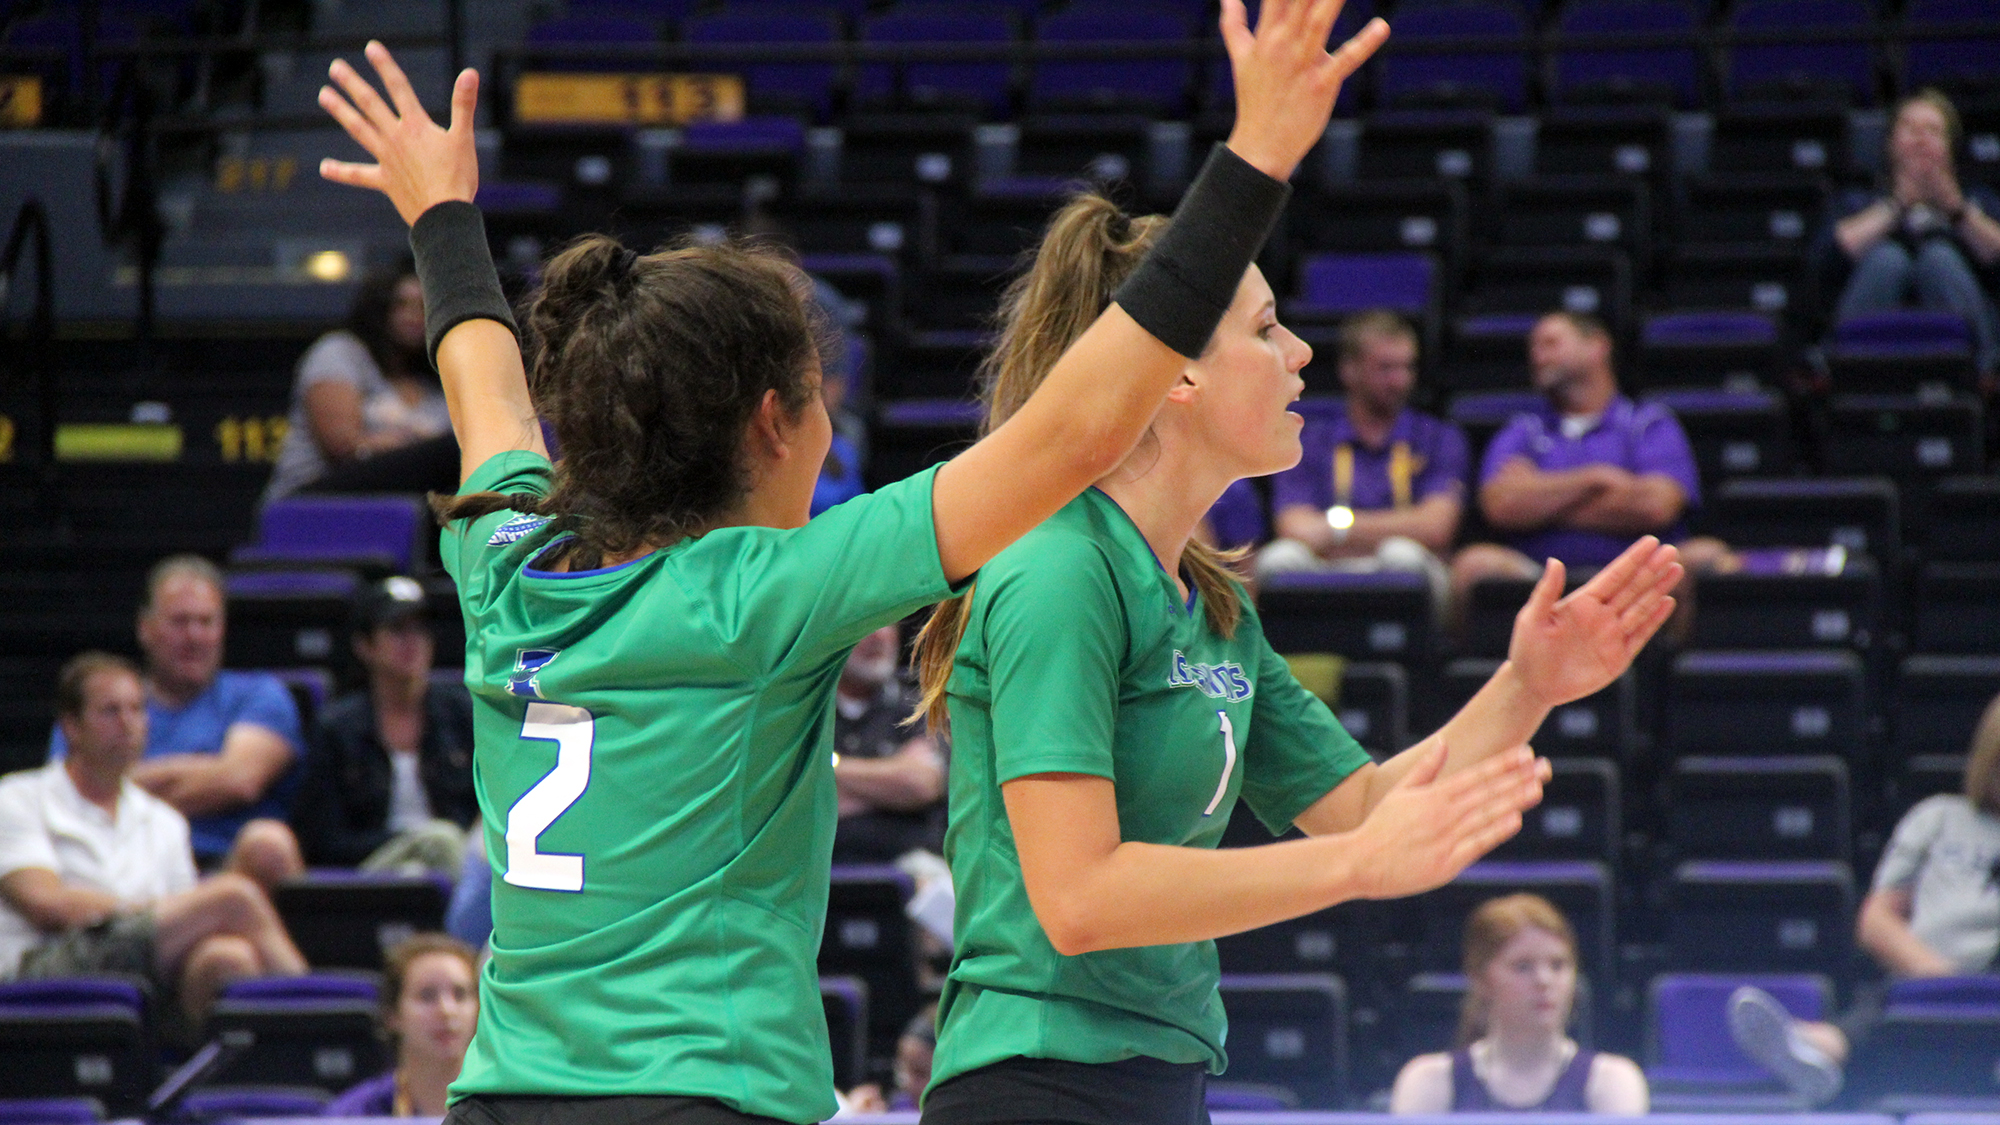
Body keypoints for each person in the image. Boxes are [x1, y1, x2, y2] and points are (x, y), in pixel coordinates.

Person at [311, 6, 1348, 1117]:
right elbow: (1073, 434)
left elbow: (487, 392)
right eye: (820, 393)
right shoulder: (766, 594)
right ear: (773, 422)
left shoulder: (504, 563)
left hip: (501, 1096)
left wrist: (439, 212)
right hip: (701, 1096)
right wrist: (1254, 163)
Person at [906, 25, 1681, 1125]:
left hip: (1160, 1079)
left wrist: (1530, 689)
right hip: (1037, 1083)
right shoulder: (1057, 570)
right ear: (1171, 379)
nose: (1301, 354)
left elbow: (1360, 804)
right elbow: (1078, 901)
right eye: (1267, 330)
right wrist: (1358, 869)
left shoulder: (1207, 602)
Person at [0, 653, 307, 1029]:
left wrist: (168, 919)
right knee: (234, 896)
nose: (128, 724)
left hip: (145, 967)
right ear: (71, 727)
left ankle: (215, 1080)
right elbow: (46, 903)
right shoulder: (17, 798)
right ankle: (317, 1019)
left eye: (136, 710)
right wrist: (154, 914)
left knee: (229, 956)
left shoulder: (166, 821)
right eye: (110, 712)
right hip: (47, 961)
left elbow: (183, 924)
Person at [1727, 690, 2000, 1106]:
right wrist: (1939, 976)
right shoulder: (1939, 818)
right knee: (1884, 1006)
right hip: (1925, 984)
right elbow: (1876, 920)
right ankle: (1815, 1050)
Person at [50, 554, 305, 887]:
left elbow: (238, 780)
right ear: (145, 628)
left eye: (206, 622)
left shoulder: (259, 695)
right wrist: (205, 769)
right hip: (118, 867)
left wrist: (118, 783)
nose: (194, 636)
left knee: (268, 842)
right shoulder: (102, 703)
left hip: (227, 867)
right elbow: (67, 800)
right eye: (179, 622)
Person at [1450, 311, 1732, 606]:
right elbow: (1500, 506)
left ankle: (1674, 653)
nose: (1537, 356)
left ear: (1597, 345)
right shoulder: (1522, 430)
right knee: (1474, 564)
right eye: (1533, 348)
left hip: (1637, 574)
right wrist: (1596, 479)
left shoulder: (1648, 424)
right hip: (1538, 575)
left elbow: (1657, 506)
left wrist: (1541, 497)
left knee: (1706, 555)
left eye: (1550, 344)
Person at [1258, 308, 1466, 608]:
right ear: (1349, 369)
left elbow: (1436, 527)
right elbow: (1293, 527)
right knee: (1277, 561)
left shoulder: (1439, 438)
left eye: (1406, 367)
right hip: (1324, 567)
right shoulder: (1310, 439)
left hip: (1398, 564)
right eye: (1385, 368)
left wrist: (1335, 529)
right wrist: (1402, 524)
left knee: (1400, 555)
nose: (1400, 381)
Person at [1390, 894, 1648, 1114]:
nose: (1544, 981)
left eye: (1558, 965)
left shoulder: (1610, 1082)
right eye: (1522, 967)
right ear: (1481, 979)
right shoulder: (1430, 1082)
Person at [289, 576, 477, 875]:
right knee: (440, 840)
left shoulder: (461, 714)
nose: (412, 641)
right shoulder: (337, 729)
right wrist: (410, 841)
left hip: (459, 859)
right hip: (376, 871)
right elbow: (322, 840)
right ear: (365, 646)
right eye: (397, 630)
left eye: (420, 629)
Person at [1827, 88, 2000, 380]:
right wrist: (1897, 205)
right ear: (1891, 143)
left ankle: (1980, 377)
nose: (1920, 139)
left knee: (1939, 259)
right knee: (1888, 259)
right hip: (1869, 330)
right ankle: (1849, 375)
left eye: (1933, 131)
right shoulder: (1857, 201)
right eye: (1910, 128)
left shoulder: (1978, 200)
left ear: (1949, 147)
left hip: (1966, 334)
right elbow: (1832, 257)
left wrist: (1956, 210)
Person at [265, 261, 459, 501]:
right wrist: (419, 446)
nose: (414, 317)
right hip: (313, 499)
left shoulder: (437, 379)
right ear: (378, 308)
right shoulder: (340, 351)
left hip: (403, 506)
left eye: (423, 308)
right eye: (401, 305)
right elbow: (343, 447)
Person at [326, 933, 482, 1116]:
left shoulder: (509, 1109)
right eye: (427, 995)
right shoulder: (353, 1114)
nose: (447, 1010)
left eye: (460, 994)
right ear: (392, 1015)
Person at [831, 625, 946, 865]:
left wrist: (829, 769)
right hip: (817, 870)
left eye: (889, 623)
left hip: (909, 866)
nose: (879, 635)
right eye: (868, 622)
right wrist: (888, 781)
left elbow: (920, 783)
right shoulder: (802, 715)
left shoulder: (920, 711)